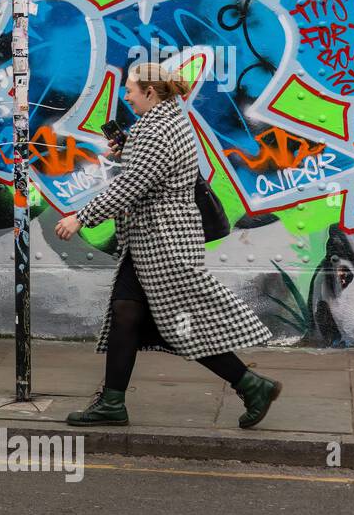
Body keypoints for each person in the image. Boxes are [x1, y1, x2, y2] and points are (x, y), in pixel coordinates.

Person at [55, 62, 280, 428]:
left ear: (150, 92)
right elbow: (153, 169)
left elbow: (133, 185)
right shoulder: (163, 122)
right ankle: (112, 402)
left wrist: (81, 217)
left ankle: (250, 384)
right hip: (152, 243)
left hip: (163, 244)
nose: (126, 95)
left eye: (130, 89)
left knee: (179, 325)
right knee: (127, 312)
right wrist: (129, 148)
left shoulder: (157, 129)